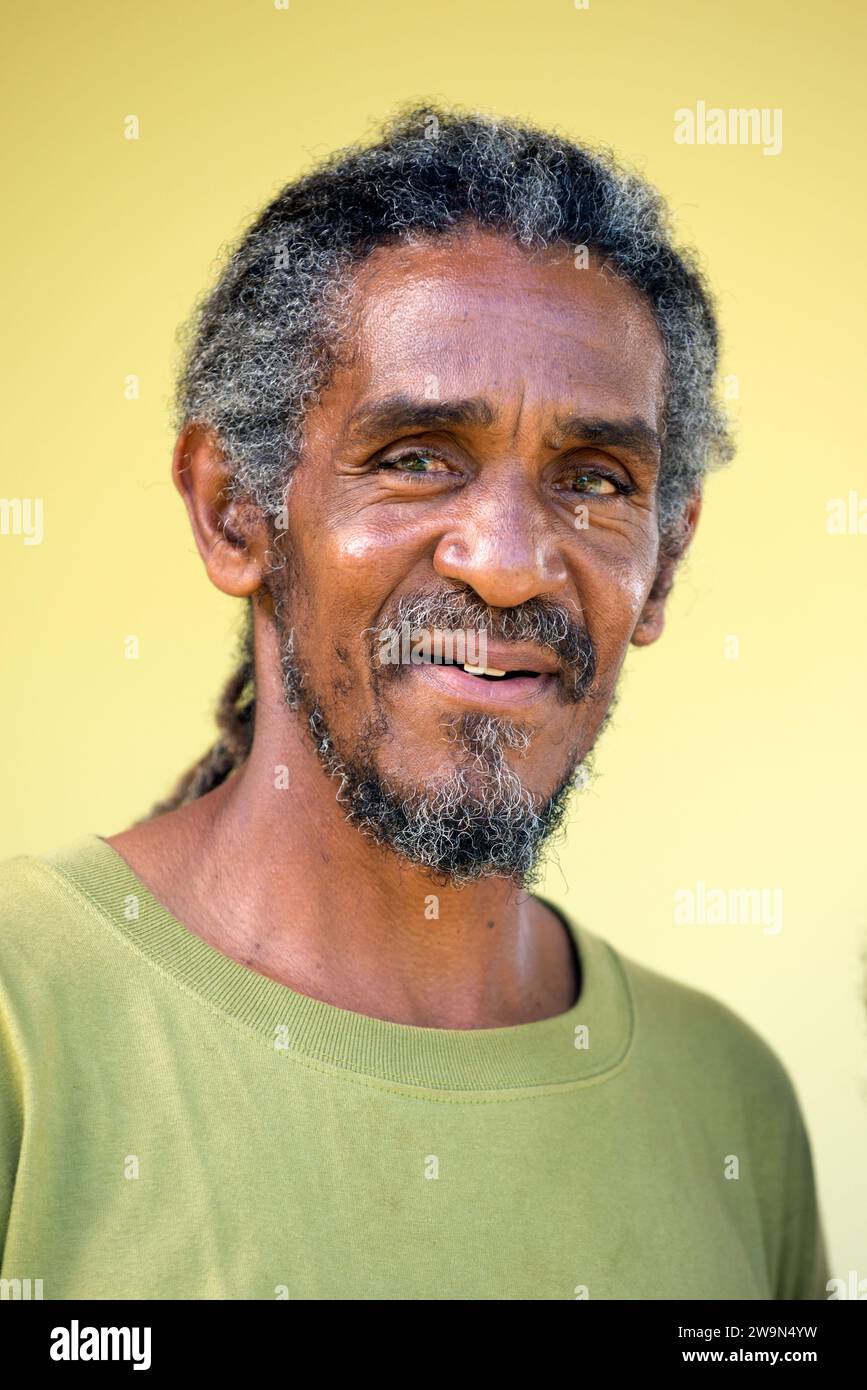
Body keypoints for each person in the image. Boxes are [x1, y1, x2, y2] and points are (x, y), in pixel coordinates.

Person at [0, 105, 828, 1300]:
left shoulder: (731, 1100)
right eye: (417, 454)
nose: (506, 559)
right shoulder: (28, 1020)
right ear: (236, 511)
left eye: (595, 480)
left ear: (665, 563)